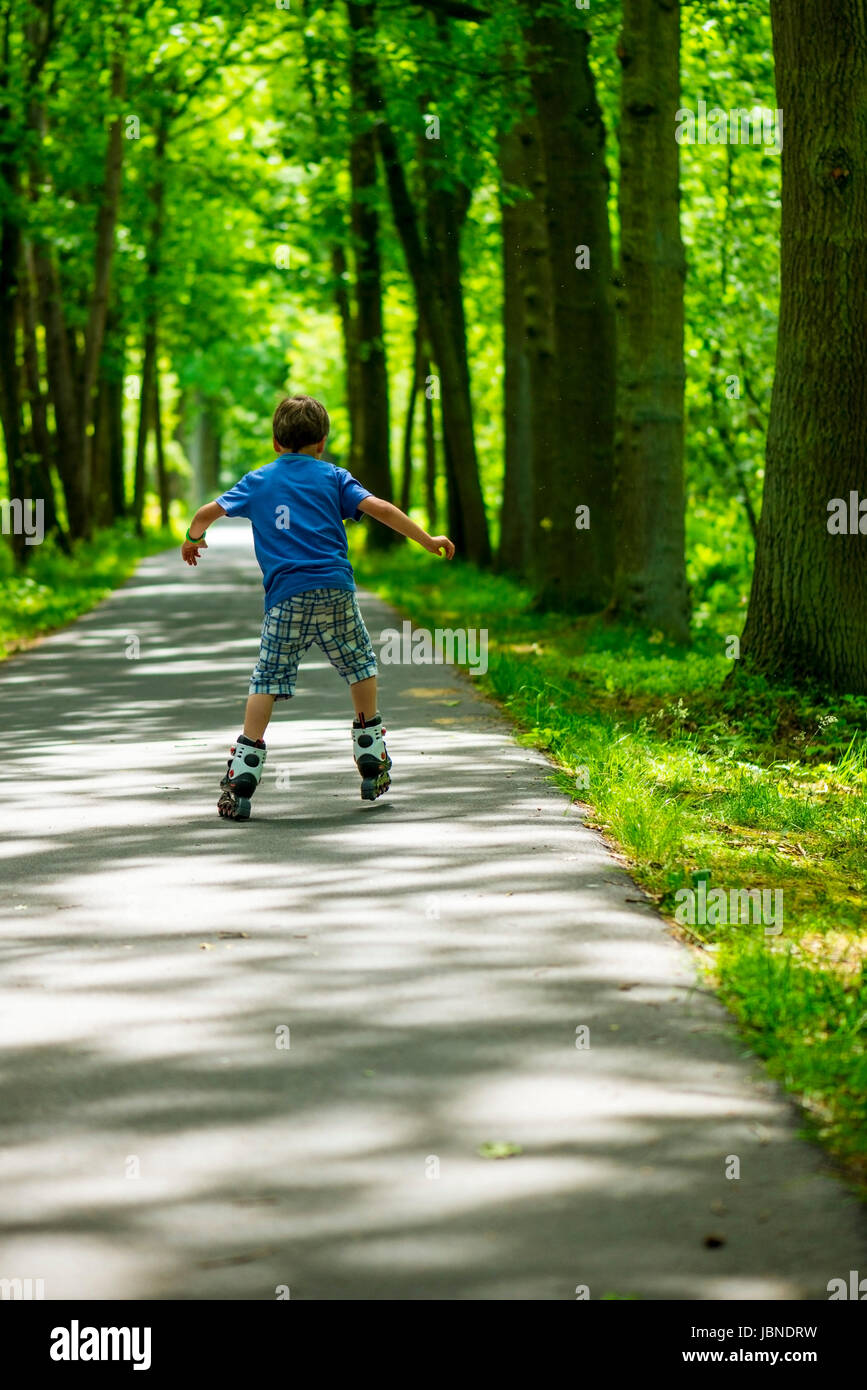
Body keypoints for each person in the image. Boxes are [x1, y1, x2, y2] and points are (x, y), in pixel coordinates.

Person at [181, 394, 455, 818]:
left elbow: (206, 512)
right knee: (360, 664)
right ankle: (371, 753)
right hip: (334, 590)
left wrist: (194, 538)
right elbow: (379, 509)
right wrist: (427, 540)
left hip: (286, 597)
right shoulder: (334, 477)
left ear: (275, 442)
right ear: (321, 442)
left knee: (267, 678)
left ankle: (242, 776)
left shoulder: (258, 481)